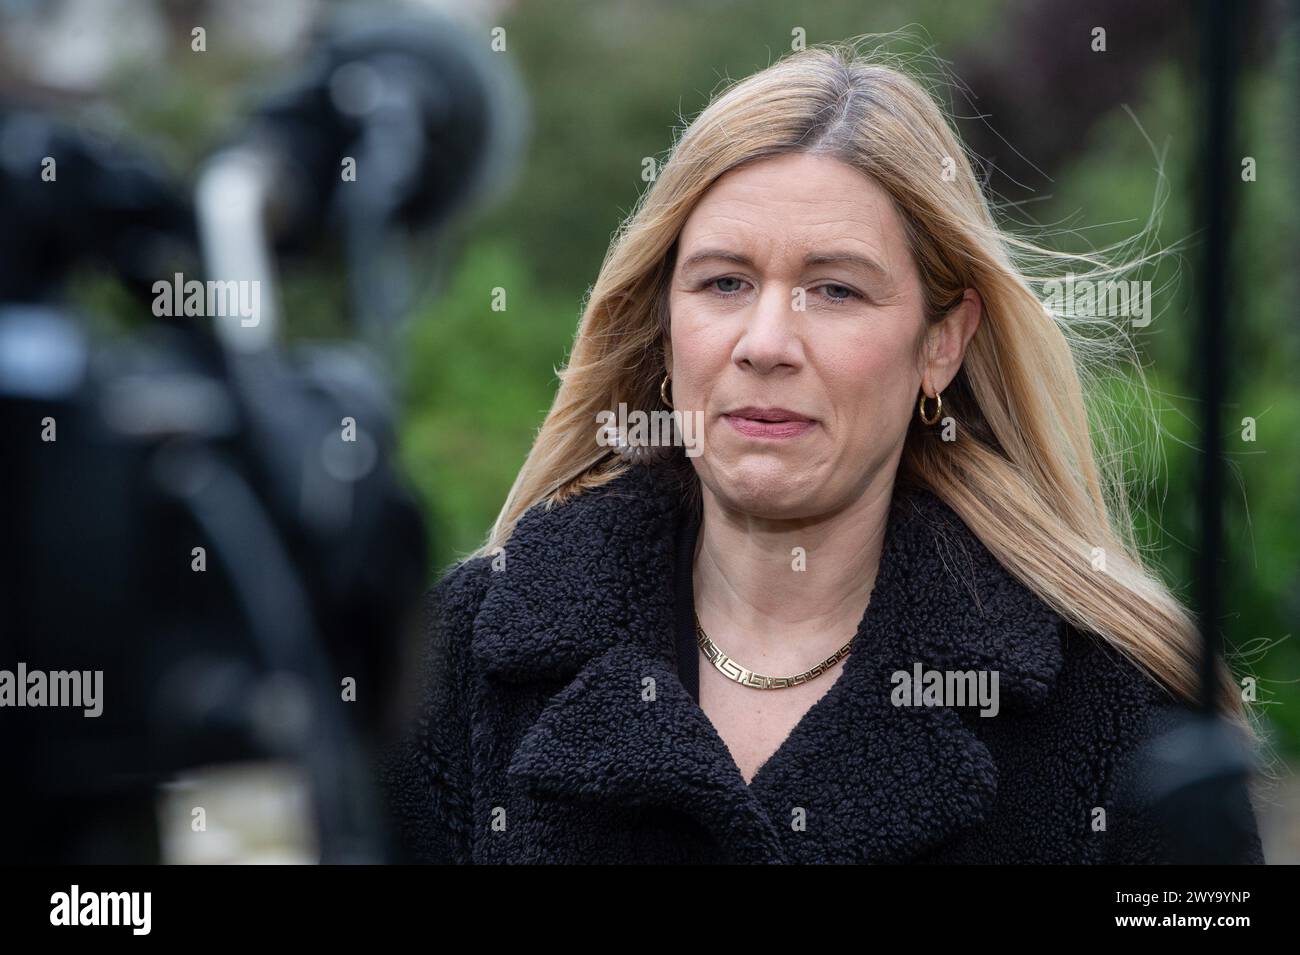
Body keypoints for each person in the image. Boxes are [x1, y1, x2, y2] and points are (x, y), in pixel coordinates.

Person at [379, 41, 1265, 864]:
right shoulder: (459, 663)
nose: (766, 342)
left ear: (941, 344)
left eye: (834, 290)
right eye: (724, 282)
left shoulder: (1120, 720)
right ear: (664, 320)